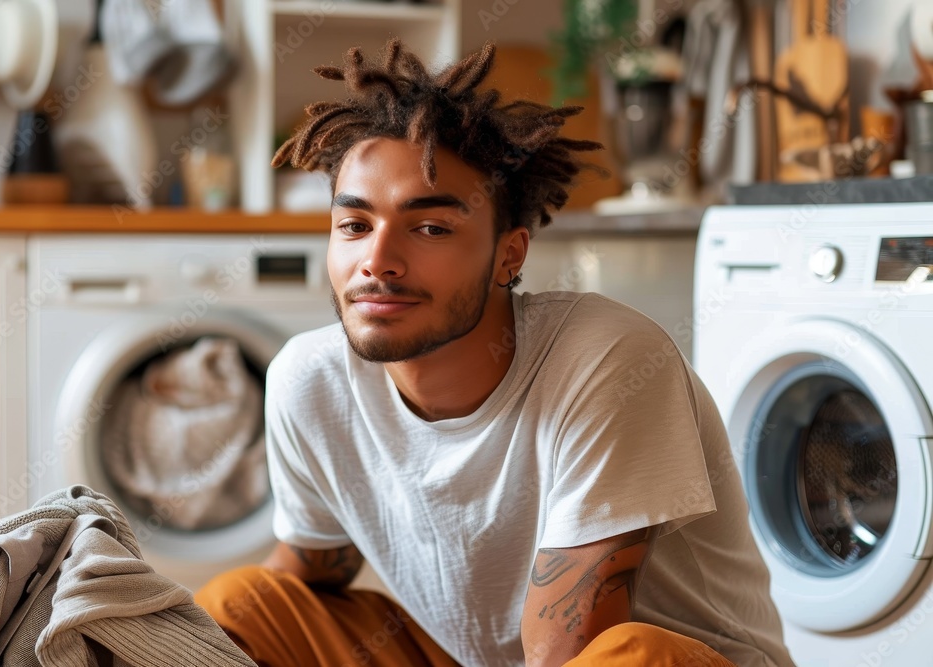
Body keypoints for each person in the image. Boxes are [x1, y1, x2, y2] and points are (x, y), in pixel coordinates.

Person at [194, 39, 795, 667]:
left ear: (510, 254)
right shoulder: (308, 379)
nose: (376, 260)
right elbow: (309, 571)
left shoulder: (604, 358)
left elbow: (566, 650)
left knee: (633, 655)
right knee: (241, 602)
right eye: (355, 225)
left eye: (430, 228)